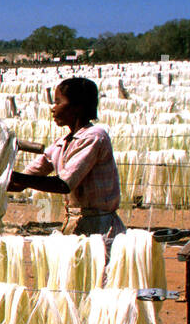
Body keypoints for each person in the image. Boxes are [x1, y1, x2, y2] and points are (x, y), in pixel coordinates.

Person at [7, 77, 126, 250]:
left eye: (58, 102)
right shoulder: (61, 143)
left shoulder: (94, 137)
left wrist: (13, 175)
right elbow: (19, 183)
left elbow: (63, 184)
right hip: (74, 225)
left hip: (100, 229)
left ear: (77, 106)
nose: (52, 108)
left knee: (99, 275)